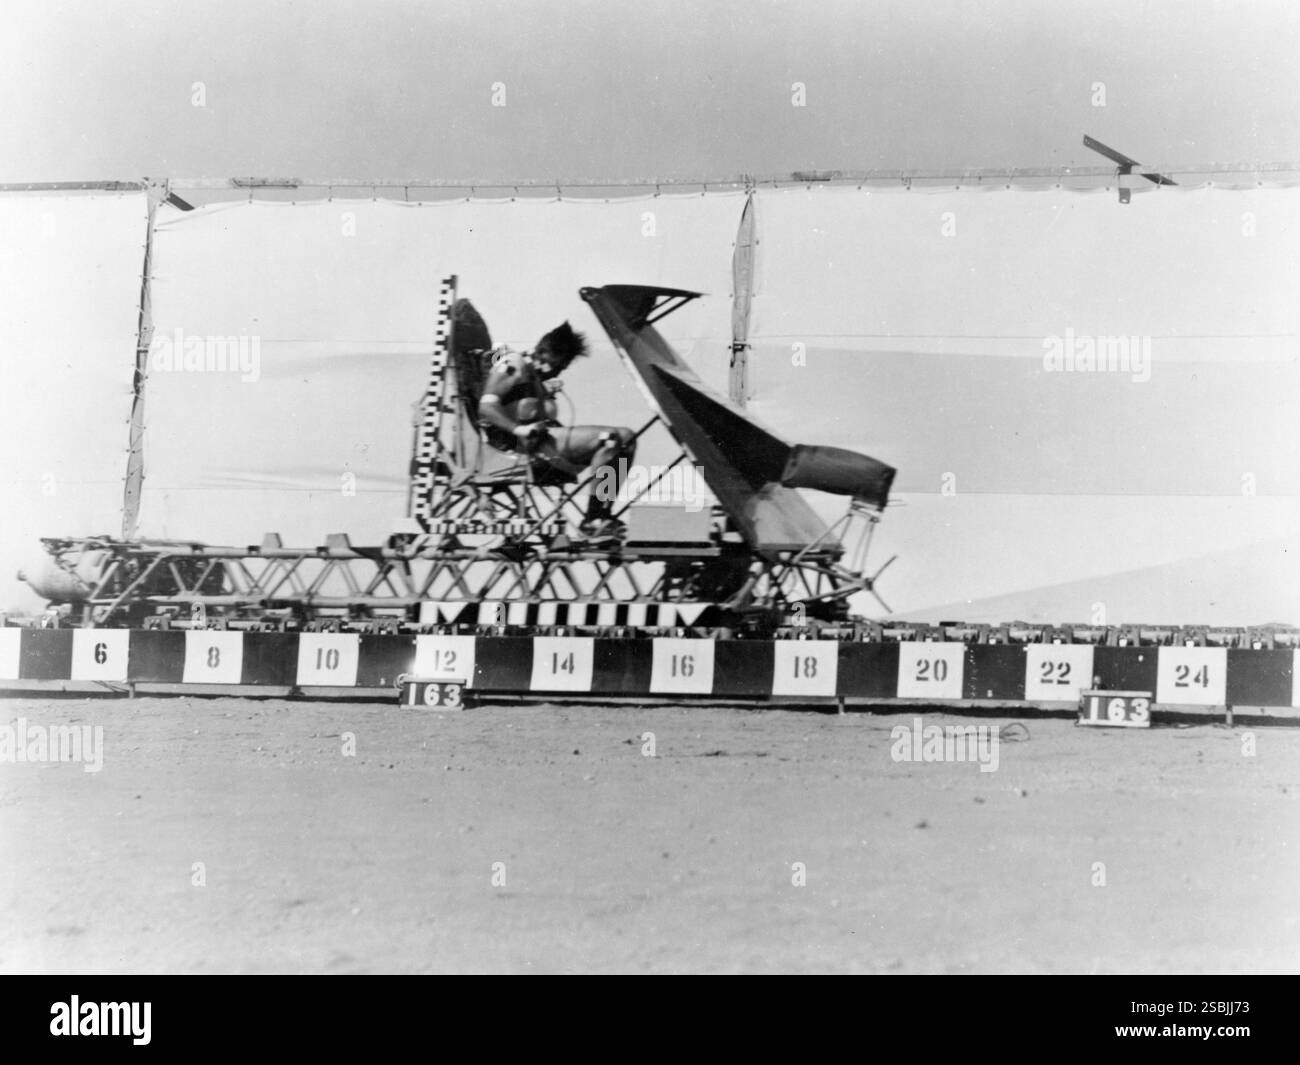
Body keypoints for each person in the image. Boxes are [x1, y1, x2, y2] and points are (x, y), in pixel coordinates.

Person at [476, 321, 636, 541]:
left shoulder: (532, 374)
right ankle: (593, 521)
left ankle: (600, 513)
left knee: (626, 438)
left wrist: (542, 389)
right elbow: (486, 407)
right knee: (610, 439)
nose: (560, 370)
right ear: (542, 352)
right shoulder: (512, 364)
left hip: (544, 441)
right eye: (559, 364)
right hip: (523, 448)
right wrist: (519, 429)